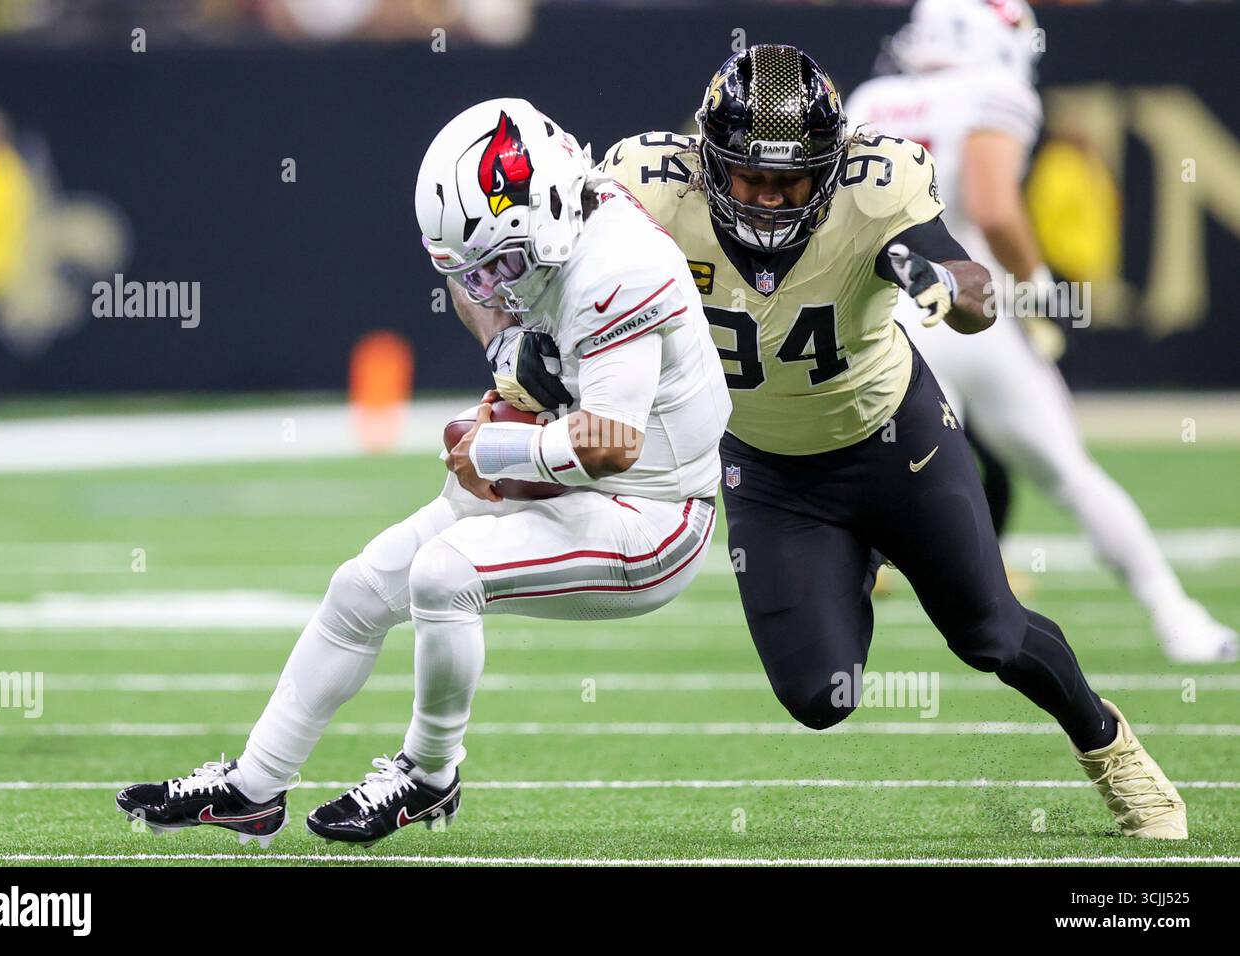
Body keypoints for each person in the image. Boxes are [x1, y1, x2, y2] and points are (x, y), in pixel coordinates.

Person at [502, 44, 1182, 838]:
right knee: (818, 698)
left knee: (989, 633)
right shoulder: (649, 187)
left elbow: (974, 288)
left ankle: (1107, 744)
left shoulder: (879, 187)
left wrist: (939, 284)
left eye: (789, 179)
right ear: (708, 161)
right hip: (766, 468)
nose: (766, 197)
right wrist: (533, 346)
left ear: (831, 165)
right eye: (750, 176)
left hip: (897, 442)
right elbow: (562, 270)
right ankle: (853, 558)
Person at [116, 98, 731, 848]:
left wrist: (493, 448)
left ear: (552, 210)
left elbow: (611, 442)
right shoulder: (542, 233)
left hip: (654, 515)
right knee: (360, 586)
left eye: (502, 264)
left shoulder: (618, 270)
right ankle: (255, 785)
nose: (493, 287)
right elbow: (478, 292)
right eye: (476, 272)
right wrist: (506, 359)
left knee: (444, 575)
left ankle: (430, 772)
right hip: (576, 478)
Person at [845, 0, 1235, 663]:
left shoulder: (874, 97)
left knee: (894, 484)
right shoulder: (995, 92)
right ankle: (1178, 618)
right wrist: (1039, 290)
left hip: (898, 311)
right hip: (977, 308)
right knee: (1071, 475)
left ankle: (841, 647)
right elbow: (995, 209)